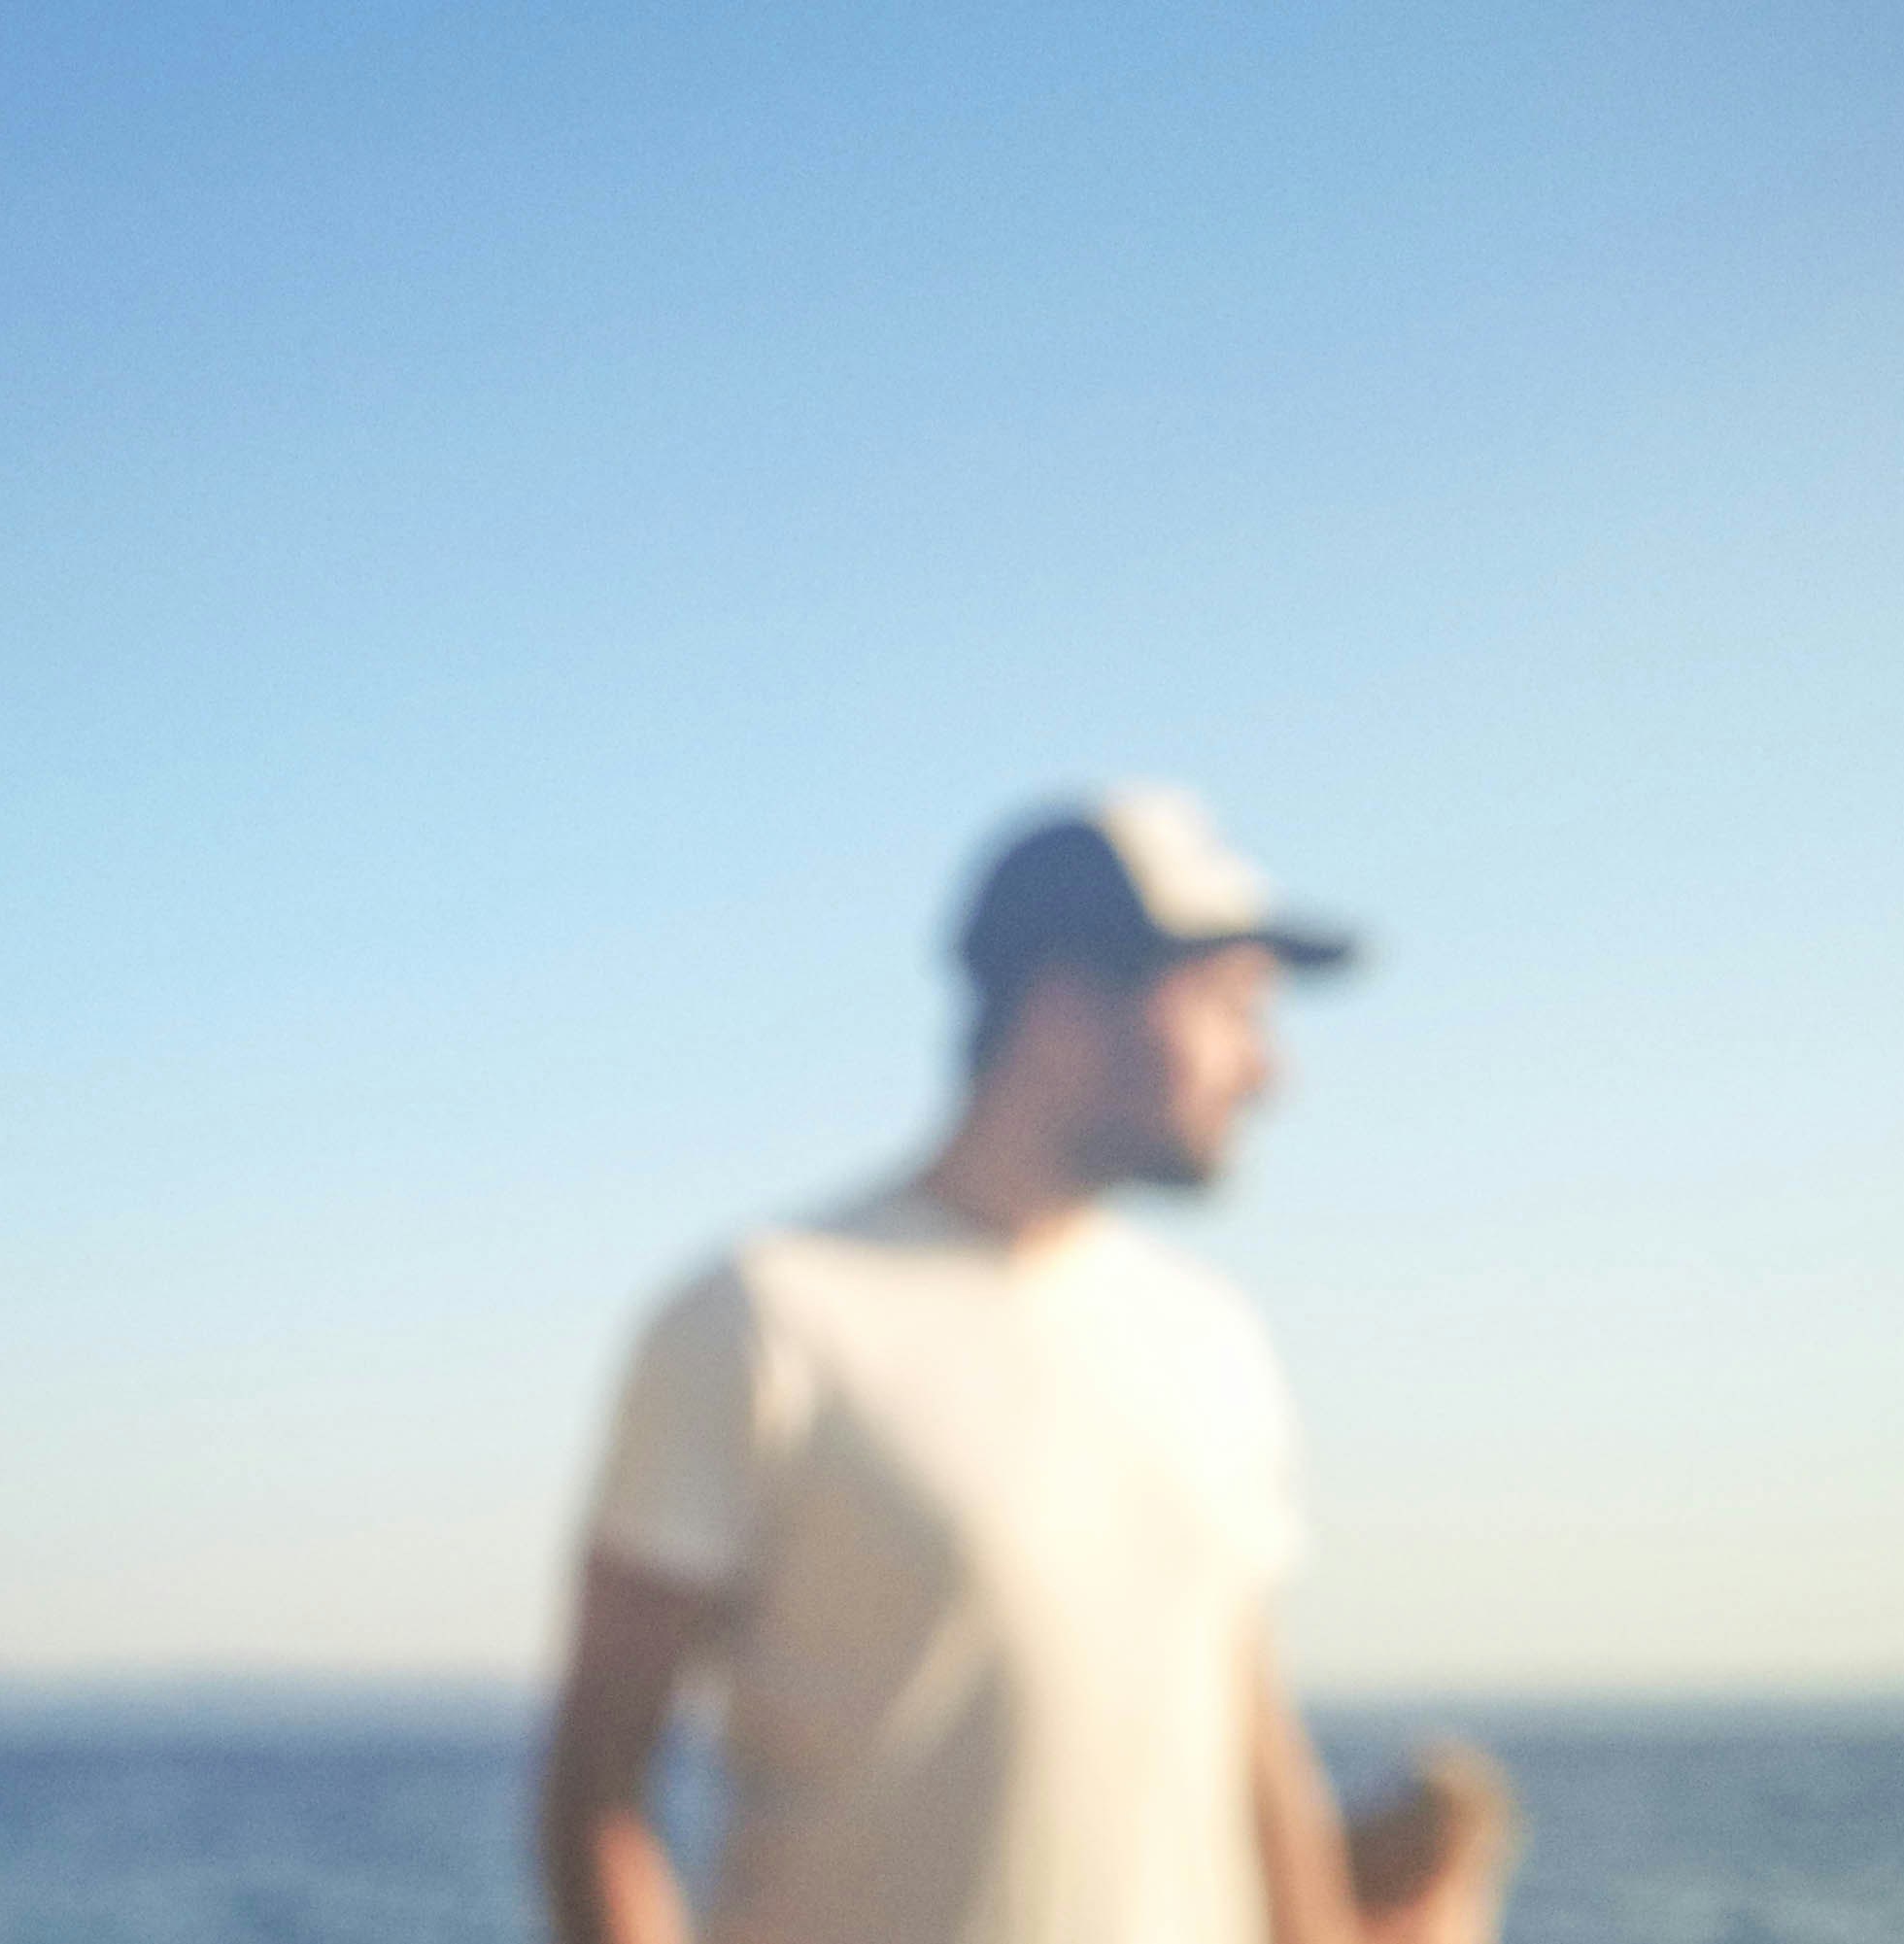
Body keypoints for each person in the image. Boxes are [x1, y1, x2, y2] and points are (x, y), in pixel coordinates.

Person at [538, 787, 1513, 1944]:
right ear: (1065, 1007)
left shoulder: (1210, 1338)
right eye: (1228, 1006)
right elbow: (596, 1787)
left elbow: (1253, 1751)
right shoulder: (764, 1319)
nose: (1264, 1071)